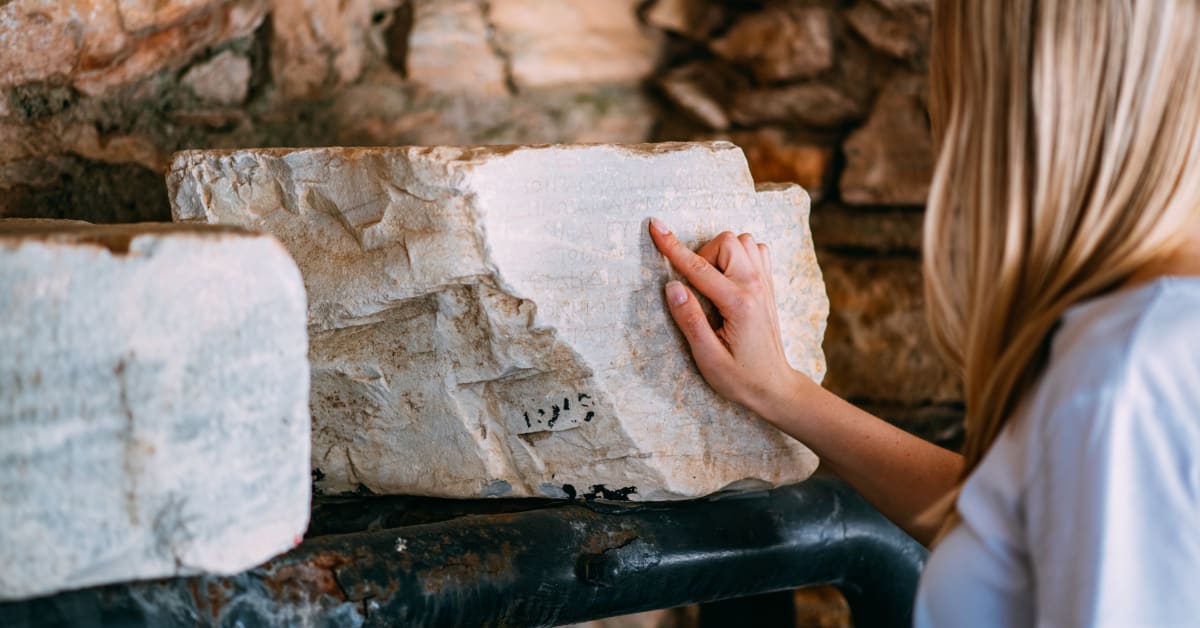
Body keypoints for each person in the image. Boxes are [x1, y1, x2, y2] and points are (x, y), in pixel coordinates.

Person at [649, 2, 1200, 626]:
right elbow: (1023, 528)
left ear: (1018, 90)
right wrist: (781, 391)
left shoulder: (1122, 378)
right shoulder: (1155, 344)